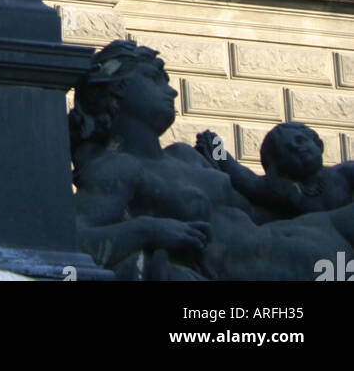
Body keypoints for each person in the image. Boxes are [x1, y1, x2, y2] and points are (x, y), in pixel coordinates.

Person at [69, 39, 354, 281]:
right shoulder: (118, 168)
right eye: (155, 79)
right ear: (120, 87)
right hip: (290, 268)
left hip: (321, 236)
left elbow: (262, 199)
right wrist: (149, 230)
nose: (172, 91)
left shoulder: (186, 155)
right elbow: (73, 242)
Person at [196, 121, 354, 220]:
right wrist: (217, 148)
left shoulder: (346, 173)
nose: (297, 148)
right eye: (288, 149)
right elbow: (244, 178)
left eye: (301, 140)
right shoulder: (283, 190)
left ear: (319, 145)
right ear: (279, 168)